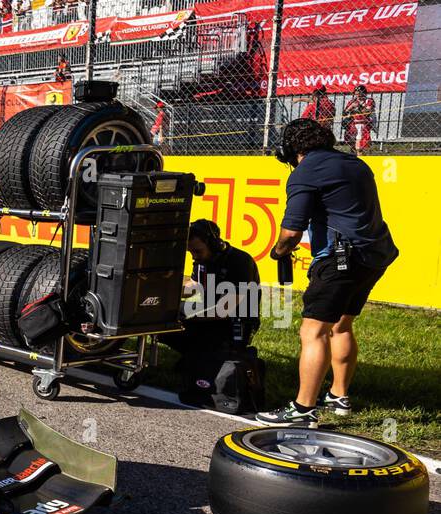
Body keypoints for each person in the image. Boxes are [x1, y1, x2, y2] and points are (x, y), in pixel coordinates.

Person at [256, 118, 398, 425]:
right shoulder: (355, 163)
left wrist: (278, 251)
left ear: (289, 149)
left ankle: (303, 409)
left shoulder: (305, 173)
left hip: (340, 259)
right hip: (374, 255)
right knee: (341, 325)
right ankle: (338, 395)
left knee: (313, 331)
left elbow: (291, 232)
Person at [164, 219, 261, 361]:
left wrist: (183, 313)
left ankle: (202, 358)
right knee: (160, 320)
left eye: (197, 251)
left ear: (214, 244)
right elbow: (194, 285)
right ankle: (198, 357)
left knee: (173, 325)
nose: (194, 256)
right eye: (191, 252)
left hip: (237, 323)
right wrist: (165, 294)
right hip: (211, 316)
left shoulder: (240, 261)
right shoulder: (202, 259)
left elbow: (225, 310)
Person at [342, 84, 375, 155]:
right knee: (353, 146)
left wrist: (358, 107)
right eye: (356, 94)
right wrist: (351, 107)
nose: (358, 96)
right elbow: (344, 113)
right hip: (353, 125)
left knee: (361, 147)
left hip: (364, 125)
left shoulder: (369, 101)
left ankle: (362, 157)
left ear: (364, 93)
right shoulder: (352, 102)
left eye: (360, 93)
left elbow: (367, 112)